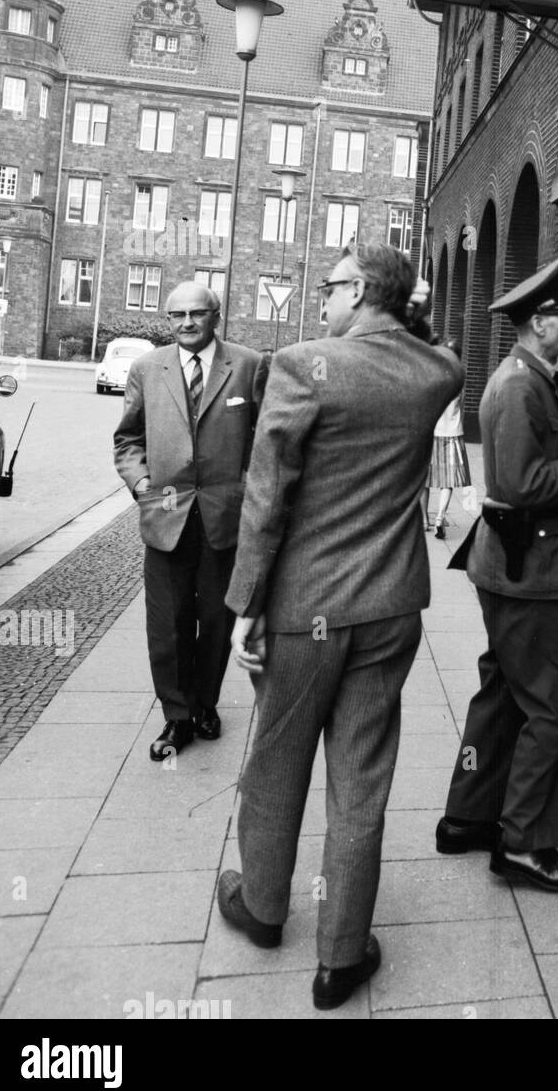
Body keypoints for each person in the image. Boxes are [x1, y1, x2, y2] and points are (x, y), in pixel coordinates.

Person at [214, 245, 461, 1010]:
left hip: (305, 608)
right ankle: (341, 956)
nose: (322, 299)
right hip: (390, 606)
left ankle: (262, 907)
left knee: (277, 760)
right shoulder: (437, 372)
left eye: (330, 287)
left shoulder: (298, 365)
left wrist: (244, 604)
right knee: (362, 779)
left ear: (359, 292)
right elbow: (439, 349)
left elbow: (267, 497)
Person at [439, 256, 558, 892]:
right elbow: (515, 483)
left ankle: (468, 816)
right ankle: (526, 844)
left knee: (505, 690)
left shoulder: (528, 377)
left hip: (514, 563)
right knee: (556, 700)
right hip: (524, 566)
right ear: (542, 323)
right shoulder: (519, 386)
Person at [113, 283, 266, 761]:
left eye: (196, 313)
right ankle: (177, 718)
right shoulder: (146, 368)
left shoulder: (248, 365)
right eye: (176, 315)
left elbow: (266, 438)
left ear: (216, 315)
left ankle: (205, 704)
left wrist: (250, 490)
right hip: (165, 515)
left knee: (217, 620)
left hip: (224, 515)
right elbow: (128, 439)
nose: (186, 323)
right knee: (168, 623)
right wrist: (140, 485)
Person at [425, 337, 469, 540]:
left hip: (432, 432)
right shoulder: (460, 377)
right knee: (447, 481)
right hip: (452, 433)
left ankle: (424, 518)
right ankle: (440, 518)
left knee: (425, 480)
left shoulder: (432, 375)